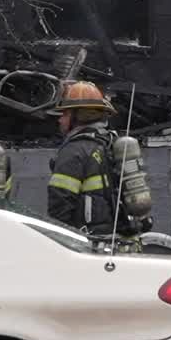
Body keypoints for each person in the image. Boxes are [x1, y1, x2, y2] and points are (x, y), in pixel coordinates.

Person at [46, 81, 147, 235]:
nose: (60, 120)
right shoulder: (111, 143)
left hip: (88, 241)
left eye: (65, 114)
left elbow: (60, 205)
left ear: (78, 116)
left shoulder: (74, 151)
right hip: (118, 236)